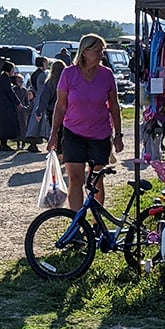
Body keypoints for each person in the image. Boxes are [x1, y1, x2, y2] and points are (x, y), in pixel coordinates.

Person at [47, 34, 123, 210]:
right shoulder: (69, 74)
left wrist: (118, 135)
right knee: (75, 179)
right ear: (84, 52)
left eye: (101, 51)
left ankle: (96, 226)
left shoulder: (106, 75)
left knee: (96, 179)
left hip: (100, 134)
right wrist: (53, 135)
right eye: (97, 51)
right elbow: (60, 106)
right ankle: (77, 225)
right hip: (73, 133)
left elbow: (114, 105)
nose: (100, 55)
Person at [0, 60, 20, 151]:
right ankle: (3, 144)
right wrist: (17, 102)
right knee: (5, 124)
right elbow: (9, 92)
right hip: (5, 104)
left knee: (3, 124)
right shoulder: (5, 78)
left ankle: (4, 143)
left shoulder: (1, 77)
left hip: (1, 103)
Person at [12, 73, 30, 149]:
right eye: (19, 81)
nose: (20, 83)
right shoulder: (13, 90)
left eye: (22, 81)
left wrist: (27, 107)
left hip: (23, 111)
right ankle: (17, 143)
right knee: (17, 126)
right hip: (15, 110)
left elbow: (26, 101)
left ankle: (23, 142)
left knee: (23, 126)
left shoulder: (24, 90)